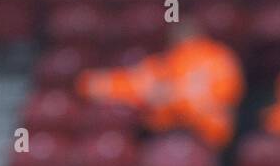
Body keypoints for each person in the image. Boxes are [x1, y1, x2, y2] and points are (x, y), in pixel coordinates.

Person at [76, 20, 245, 149]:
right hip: (169, 132)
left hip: (207, 137)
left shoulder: (218, 58)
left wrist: (171, 96)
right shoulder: (171, 61)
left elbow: (227, 98)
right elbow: (134, 85)